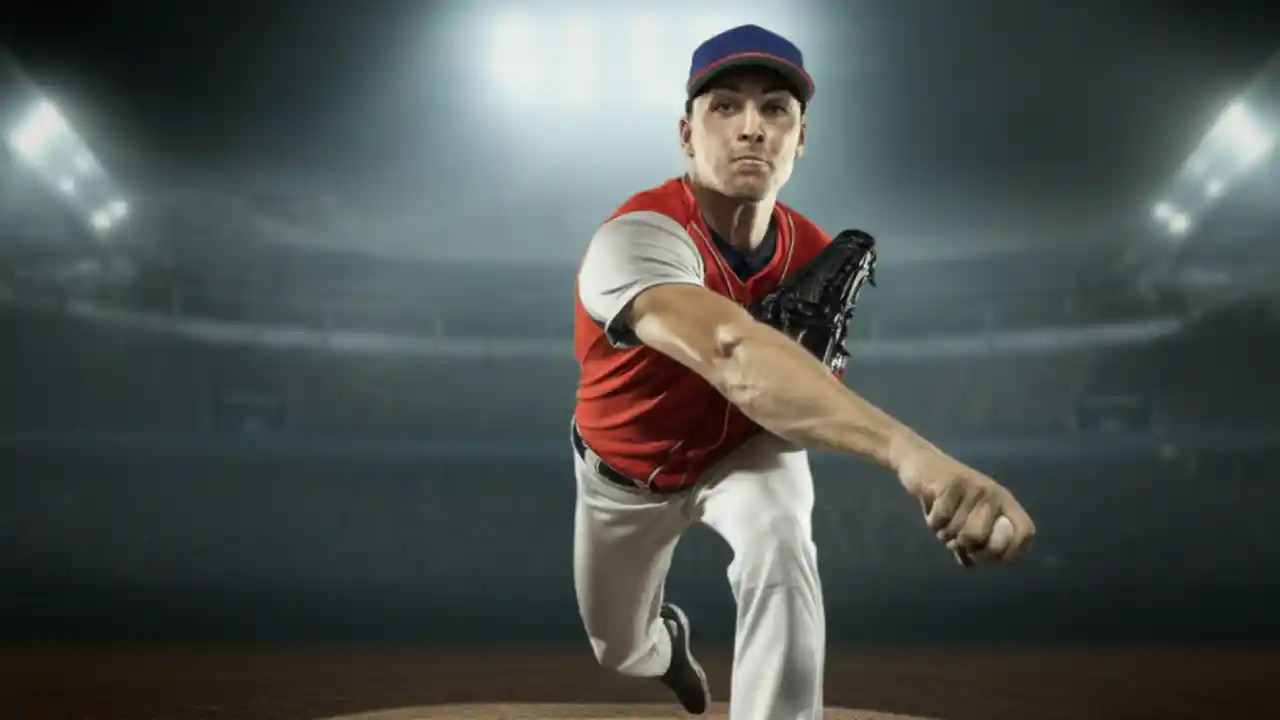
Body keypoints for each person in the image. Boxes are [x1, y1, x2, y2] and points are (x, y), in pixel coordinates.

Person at [570, 24, 1035, 718]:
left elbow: (802, 398)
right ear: (687, 135)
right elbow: (731, 353)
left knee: (781, 539)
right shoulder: (635, 237)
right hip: (624, 476)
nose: (752, 128)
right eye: (725, 106)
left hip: (744, 452)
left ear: (800, 139)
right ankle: (663, 648)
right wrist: (917, 458)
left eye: (776, 110)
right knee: (618, 647)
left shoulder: (811, 252)